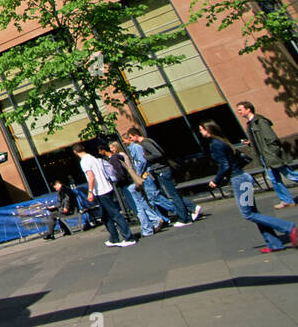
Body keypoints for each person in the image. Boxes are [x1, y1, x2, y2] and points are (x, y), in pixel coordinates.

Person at [202, 120, 297, 253]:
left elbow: (225, 165)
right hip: (243, 178)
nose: (200, 132)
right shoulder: (223, 141)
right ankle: (274, 243)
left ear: (208, 130)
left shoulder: (216, 144)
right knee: (253, 212)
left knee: (248, 213)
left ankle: (289, 228)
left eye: (201, 129)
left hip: (239, 181)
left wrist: (216, 181)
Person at [123, 126, 199, 225]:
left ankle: (184, 217)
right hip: (160, 170)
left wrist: (146, 157)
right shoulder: (146, 142)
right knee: (169, 193)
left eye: (131, 137)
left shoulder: (144, 143)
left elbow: (157, 154)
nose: (130, 140)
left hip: (161, 170)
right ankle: (191, 208)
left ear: (135, 135)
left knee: (169, 195)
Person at [237, 101, 298, 209]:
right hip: (264, 157)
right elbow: (260, 141)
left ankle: (286, 200)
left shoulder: (259, 121)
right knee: (274, 180)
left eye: (240, 109)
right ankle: (286, 201)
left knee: (290, 175)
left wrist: (273, 153)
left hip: (271, 156)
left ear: (248, 109)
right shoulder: (250, 124)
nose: (239, 112)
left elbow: (271, 139)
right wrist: (250, 143)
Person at [73, 142, 135, 246]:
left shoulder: (84, 161)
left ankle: (129, 237)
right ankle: (114, 238)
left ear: (75, 152)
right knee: (106, 216)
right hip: (106, 187)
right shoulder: (93, 158)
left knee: (114, 214)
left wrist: (90, 191)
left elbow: (91, 177)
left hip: (101, 191)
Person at [109, 139, 167, 237]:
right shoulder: (124, 155)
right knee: (142, 203)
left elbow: (129, 169)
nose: (111, 149)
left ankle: (149, 226)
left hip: (131, 182)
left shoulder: (120, 156)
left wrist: (136, 175)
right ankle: (154, 221)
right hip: (133, 181)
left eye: (112, 147)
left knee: (140, 206)